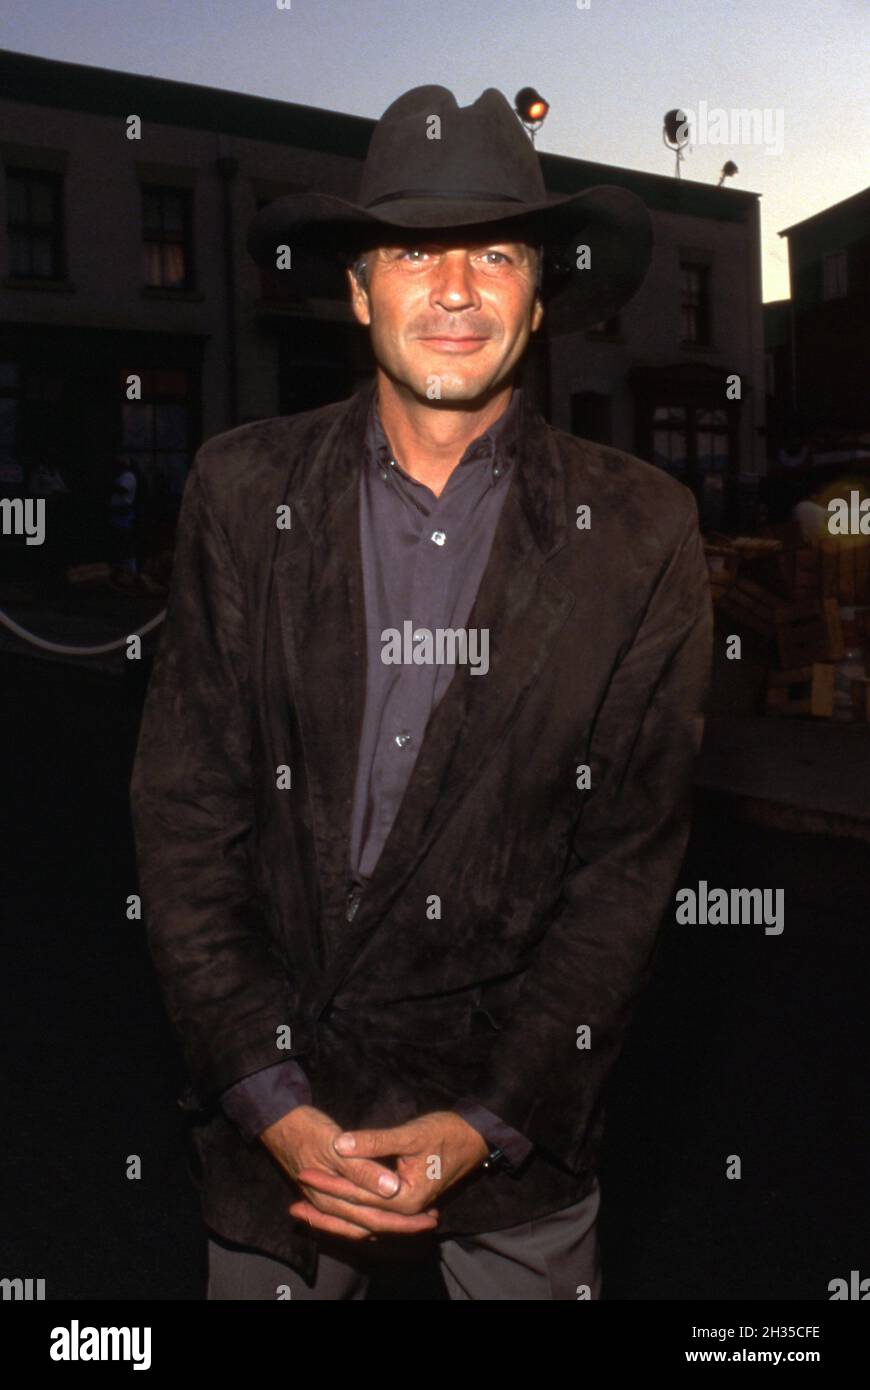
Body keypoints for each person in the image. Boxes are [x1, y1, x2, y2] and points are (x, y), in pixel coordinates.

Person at [130, 85, 713, 1301]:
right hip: (277, 1130)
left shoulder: (643, 531)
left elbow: (626, 875)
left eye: (494, 253)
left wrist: (486, 1117)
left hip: (515, 1135)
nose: (454, 291)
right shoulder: (243, 494)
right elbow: (187, 820)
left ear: (539, 295)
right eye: (411, 251)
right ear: (356, 289)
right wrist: (272, 1098)